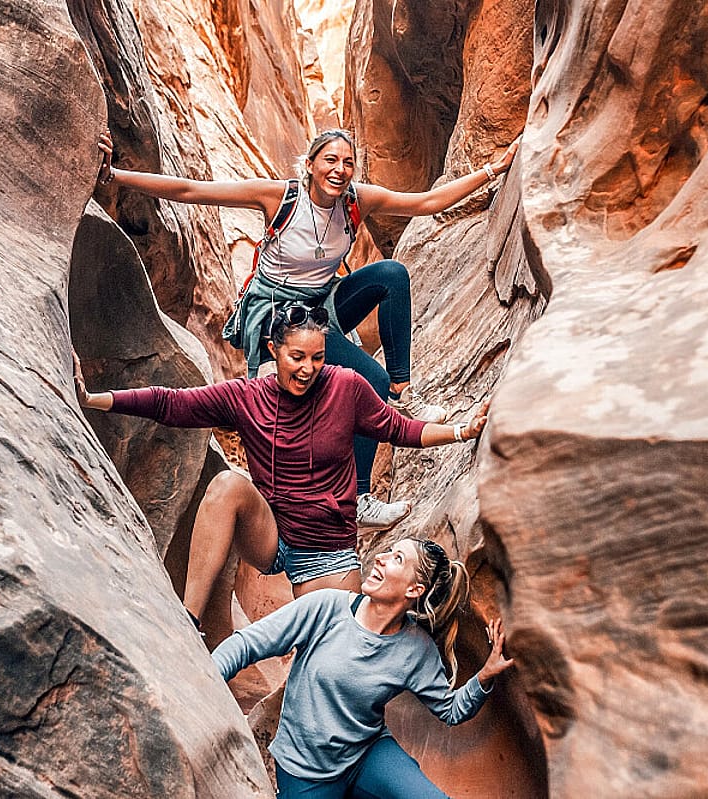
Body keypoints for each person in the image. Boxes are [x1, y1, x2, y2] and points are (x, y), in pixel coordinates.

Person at [96, 128, 518, 533]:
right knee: (367, 379)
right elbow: (190, 190)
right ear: (311, 164)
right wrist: (114, 175)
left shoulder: (356, 202)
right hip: (277, 312)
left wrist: (494, 170)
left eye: (348, 162)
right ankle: (352, 499)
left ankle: (404, 396)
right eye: (330, 160)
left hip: (322, 304)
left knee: (391, 274)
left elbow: (427, 202)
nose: (340, 169)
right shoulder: (280, 197)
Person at [74, 306, 489, 630]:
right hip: (273, 536)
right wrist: (94, 399)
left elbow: (400, 427)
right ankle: (190, 620)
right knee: (226, 485)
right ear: (274, 350)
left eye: (318, 358)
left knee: (331, 646)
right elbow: (171, 403)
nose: (308, 369)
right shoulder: (247, 396)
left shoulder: (345, 386)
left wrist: (461, 430)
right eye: (297, 357)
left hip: (327, 551)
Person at [212, 536, 515, 798]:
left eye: (397, 558)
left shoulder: (416, 648)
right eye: (389, 551)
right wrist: (206, 680)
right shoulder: (326, 608)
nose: (380, 558)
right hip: (305, 770)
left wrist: (485, 675)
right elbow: (246, 645)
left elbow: (449, 710)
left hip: (367, 755)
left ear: (414, 590)